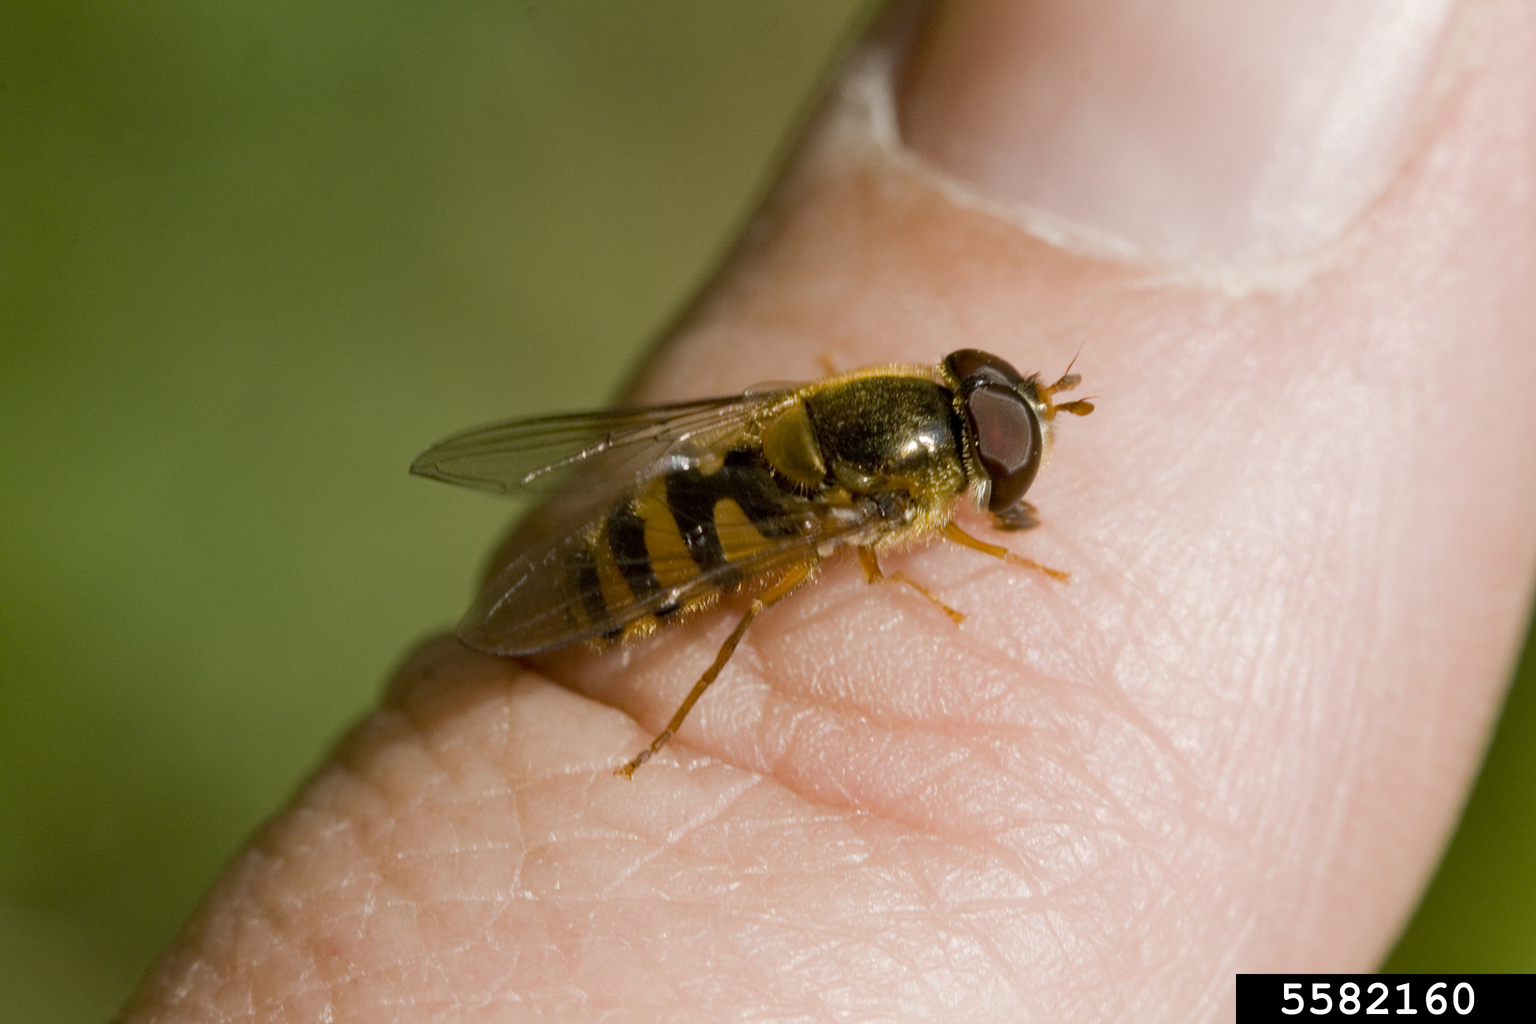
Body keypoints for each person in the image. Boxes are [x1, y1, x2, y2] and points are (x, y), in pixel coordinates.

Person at [120, 1, 1536, 1019]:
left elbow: (783, 450)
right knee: (748, 589)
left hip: (702, 474)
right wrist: (903, 572)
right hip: (710, 531)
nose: (1004, 425)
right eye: (999, 435)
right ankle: (666, 712)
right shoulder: (918, 481)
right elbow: (864, 545)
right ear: (964, 444)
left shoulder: (882, 407)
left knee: (738, 527)